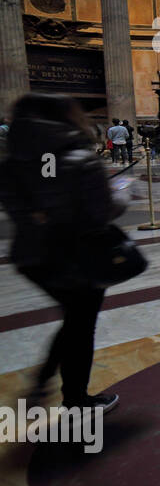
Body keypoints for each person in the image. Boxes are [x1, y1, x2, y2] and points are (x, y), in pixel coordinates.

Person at [0, 93, 125, 412]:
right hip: (77, 255)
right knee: (81, 325)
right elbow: (101, 212)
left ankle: (45, 383)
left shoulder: (12, 160)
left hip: (32, 254)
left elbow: (19, 209)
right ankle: (75, 399)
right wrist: (121, 199)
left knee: (75, 319)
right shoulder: (77, 154)